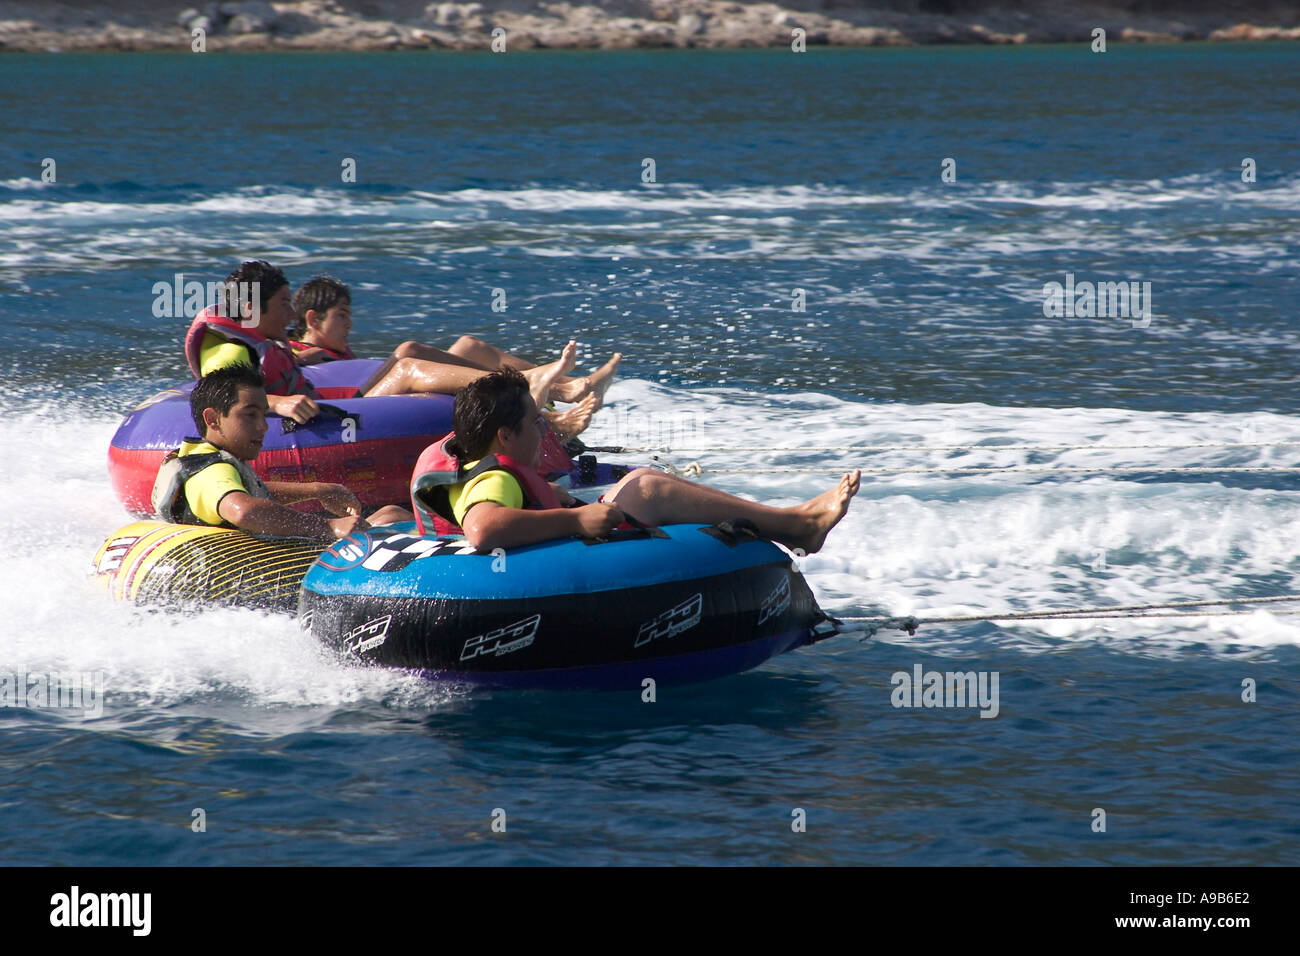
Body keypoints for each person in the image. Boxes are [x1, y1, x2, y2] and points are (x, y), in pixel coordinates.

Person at [411, 368, 861, 553]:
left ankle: (792, 522)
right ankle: (796, 525)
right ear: (504, 435)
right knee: (648, 485)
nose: (545, 430)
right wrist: (576, 521)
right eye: (535, 422)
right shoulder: (494, 479)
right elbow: (484, 528)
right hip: (557, 558)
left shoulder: (463, 460)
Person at [185, 261, 601, 434]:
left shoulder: (257, 343)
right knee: (405, 371)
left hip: (335, 402)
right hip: (319, 422)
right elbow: (216, 401)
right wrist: (278, 404)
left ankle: (553, 388)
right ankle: (524, 388)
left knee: (408, 352)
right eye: (281, 304)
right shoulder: (229, 351)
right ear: (253, 309)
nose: (291, 312)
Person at [287, 274, 620, 441]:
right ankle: (544, 397)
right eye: (341, 316)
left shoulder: (341, 355)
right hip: (346, 415)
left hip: (360, 398)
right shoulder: (292, 351)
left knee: (468, 345)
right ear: (313, 320)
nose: (350, 324)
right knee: (408, 351)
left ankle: (566, 386)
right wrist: (301, 357)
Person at [152, 365, 410, 539]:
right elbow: (244, 510)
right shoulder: (210, 471)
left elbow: (245, 491)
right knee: (394, 516)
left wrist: (319, 490)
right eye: (249, 415)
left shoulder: (197, 455)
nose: (263, 426)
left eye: (263, 414)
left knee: (389, 513)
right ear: (213, 419)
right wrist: (329, 526)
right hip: (268, 571)